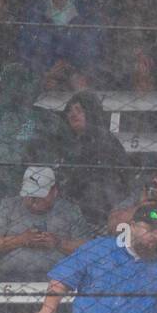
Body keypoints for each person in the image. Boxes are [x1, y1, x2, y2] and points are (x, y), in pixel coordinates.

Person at [0, 166, 90, 282]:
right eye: (30, 194)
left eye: (39, 195)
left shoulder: (69, 211)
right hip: (10, 281)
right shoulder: (8, 206)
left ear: (54, 192)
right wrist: (21, 240)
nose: (34, 200)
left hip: (59, 282)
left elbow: (89, 250)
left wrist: (58, 243)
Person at [51, 90, 132, 232]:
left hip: (98, 212)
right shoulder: (64, 143)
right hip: (66, 207)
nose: (73, 114)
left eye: (79, 110)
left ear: (91, 113)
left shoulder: (105, 143)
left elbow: (105, 185)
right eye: (69, 110)